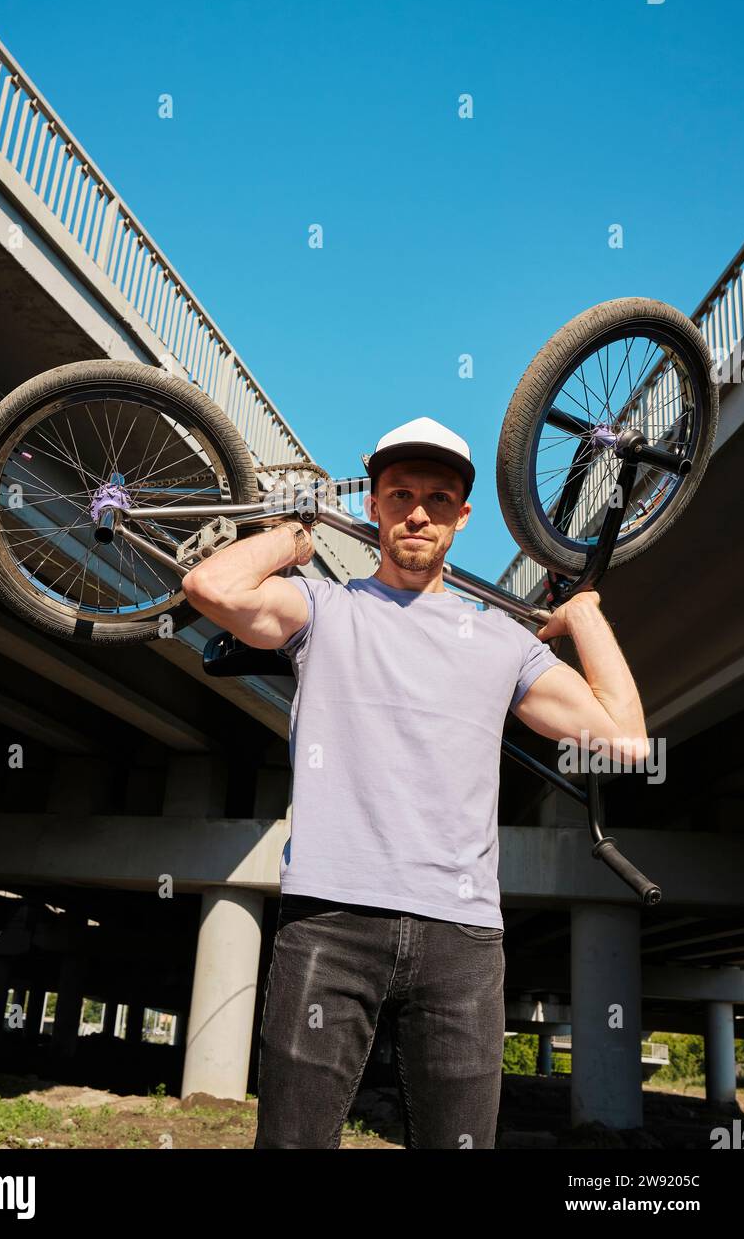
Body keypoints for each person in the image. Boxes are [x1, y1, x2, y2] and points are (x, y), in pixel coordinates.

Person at [183, 416, 648, 1149]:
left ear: (463, 518)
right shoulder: (321, 608)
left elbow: (622, 739)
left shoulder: (501, 640)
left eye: (437, 499)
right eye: (399, 495)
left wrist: (585, 616)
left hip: (461, 940)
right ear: (372, 507)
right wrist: (296, 536)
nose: (418, 513)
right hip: (330, 925)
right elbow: (211, 585)